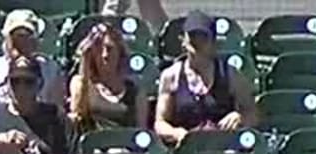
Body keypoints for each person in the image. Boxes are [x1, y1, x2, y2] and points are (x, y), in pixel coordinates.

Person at [153, 10, 258, 146]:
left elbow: (253, 114)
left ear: (213, 42)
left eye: (203, 37)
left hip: (222, 145)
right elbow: (160, 123)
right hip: (186, 147)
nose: (197, 42)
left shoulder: (231, 74)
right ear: (183, 41)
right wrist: (177, 133)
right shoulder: (171, 76)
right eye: (192, 36)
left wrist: (240, 117)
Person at [0, 55, 84, 154]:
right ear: (7, 85)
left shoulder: (56, 117)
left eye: (28, 82)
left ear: (39, 84)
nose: (21, 88)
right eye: (15, 82)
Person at [0, 9, 67, 138]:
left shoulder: (51, 70)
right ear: (5, 39)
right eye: (15, 37)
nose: (20, 43)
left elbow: (56, 119)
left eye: (26, 37)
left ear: (36, 41)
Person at [69, 22, 150, 134]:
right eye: (98, 50)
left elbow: (141, 130)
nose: (104, 55)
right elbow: (78, 115)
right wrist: (85, 62)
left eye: (110, 49)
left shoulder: (135, 91)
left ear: (119, 52)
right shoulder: (80, 83)